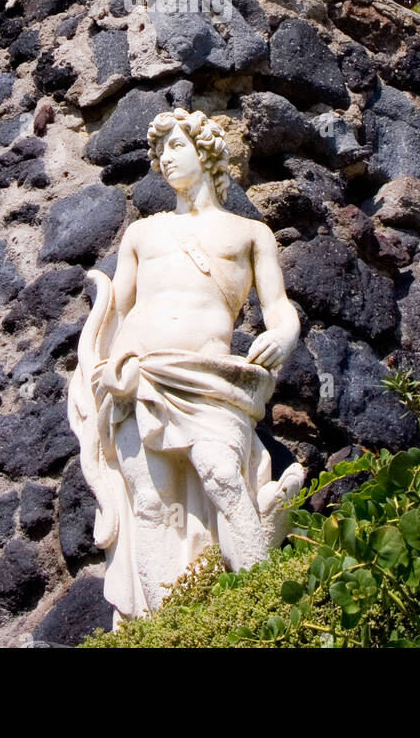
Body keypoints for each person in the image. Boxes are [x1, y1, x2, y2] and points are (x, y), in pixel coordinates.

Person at [68, 107, 303, 620]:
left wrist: (284, 333)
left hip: (209, 377)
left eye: (176, 146)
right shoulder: (142, 235)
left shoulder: (248, 234)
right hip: (138, 375)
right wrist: (106, 369)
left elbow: (279, 307)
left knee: (223, 476)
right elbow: (118, 311)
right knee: (151, 505)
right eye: (160, 151)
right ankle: (164, 626)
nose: (165, 159)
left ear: (207, 152)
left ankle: (261, 614)